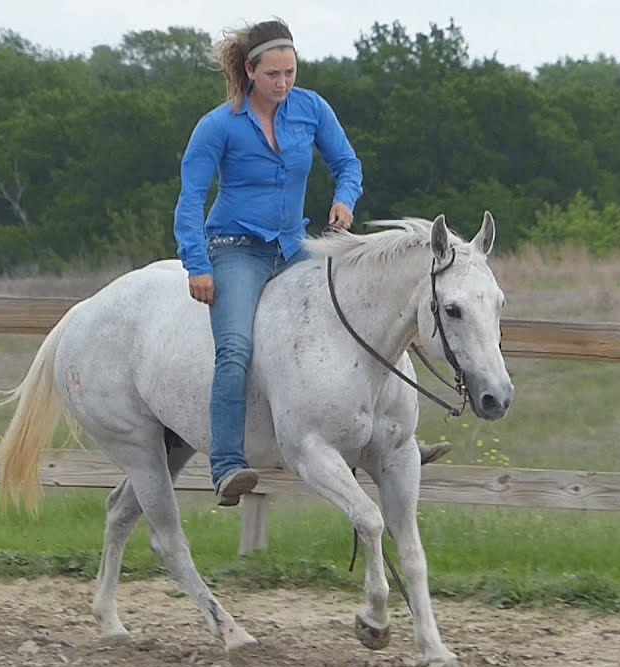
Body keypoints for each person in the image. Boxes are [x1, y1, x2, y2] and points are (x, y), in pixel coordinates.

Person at [174, 19, 450, 507]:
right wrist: (197, 264)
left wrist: (345, 199)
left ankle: (393, 436)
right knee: (235, 348)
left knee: (369, 316)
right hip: (237, 249)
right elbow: (190, 200)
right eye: (273, 74)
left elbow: (348, 163)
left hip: (294, 245)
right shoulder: (218, 126)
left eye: (290, 72)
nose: (283, 83)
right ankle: (227, 464)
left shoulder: (311, 109)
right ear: (250, 71)